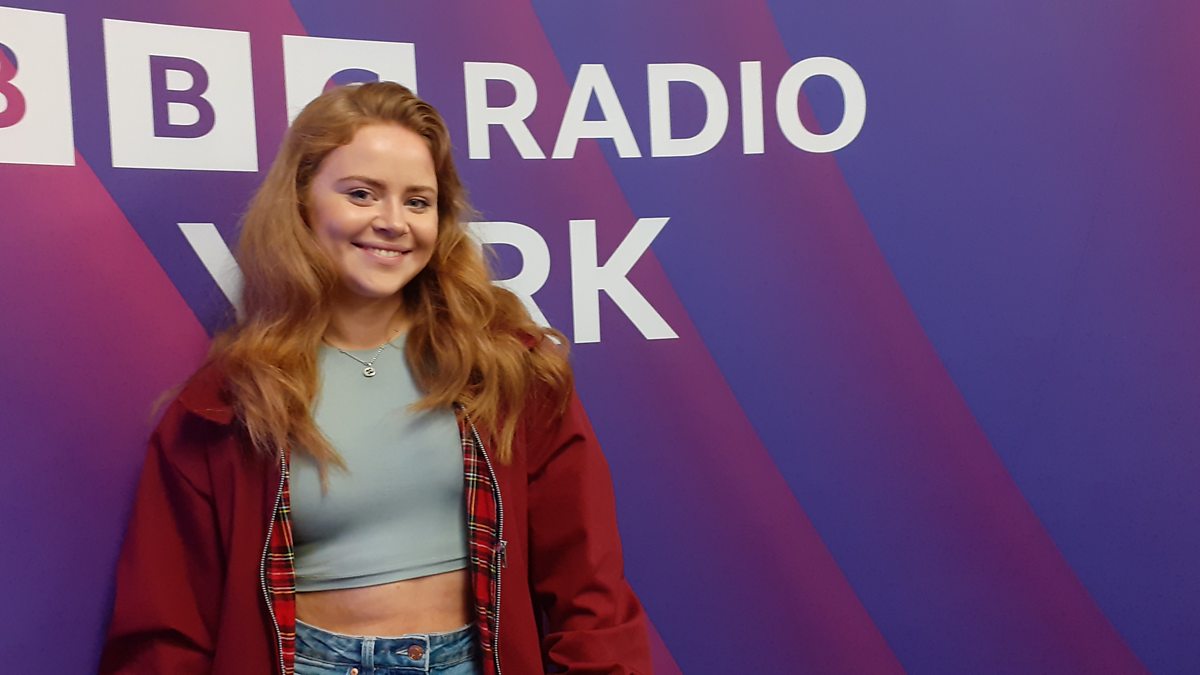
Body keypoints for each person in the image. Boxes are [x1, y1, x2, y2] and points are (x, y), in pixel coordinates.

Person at [99, 81, 653, 675]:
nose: (392, 222)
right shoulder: (227, 404)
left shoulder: (504, 368)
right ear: (302, 203)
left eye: (418, 201)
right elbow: (168, 631)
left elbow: (589, 582)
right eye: (361, 194)